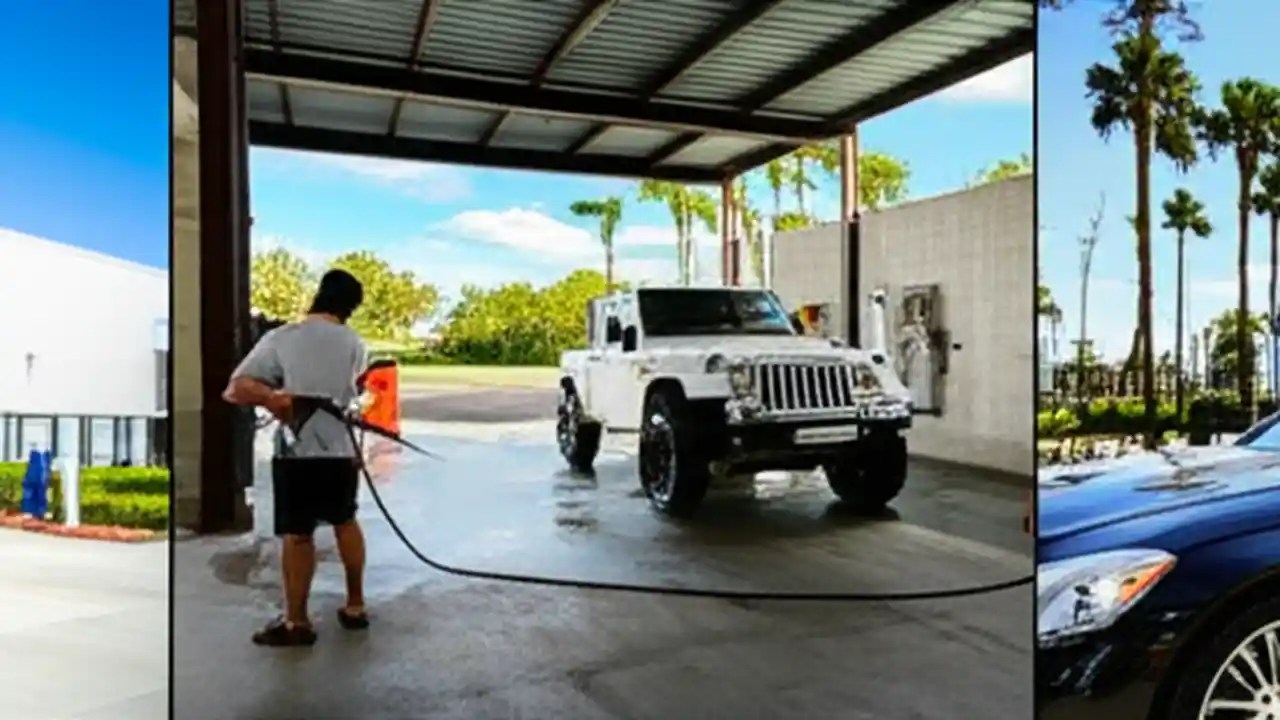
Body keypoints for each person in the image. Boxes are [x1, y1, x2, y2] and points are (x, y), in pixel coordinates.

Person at [223, 268, 371, 647]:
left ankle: (297, 622)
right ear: (349, 308)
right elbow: (353, 391)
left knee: (299, 535)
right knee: (345, 521)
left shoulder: (283, 338)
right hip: (341, 449)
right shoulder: (355, 343)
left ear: (319, 296)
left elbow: (235, 389)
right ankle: (355, 606)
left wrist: (273, 397)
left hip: (297, 450)